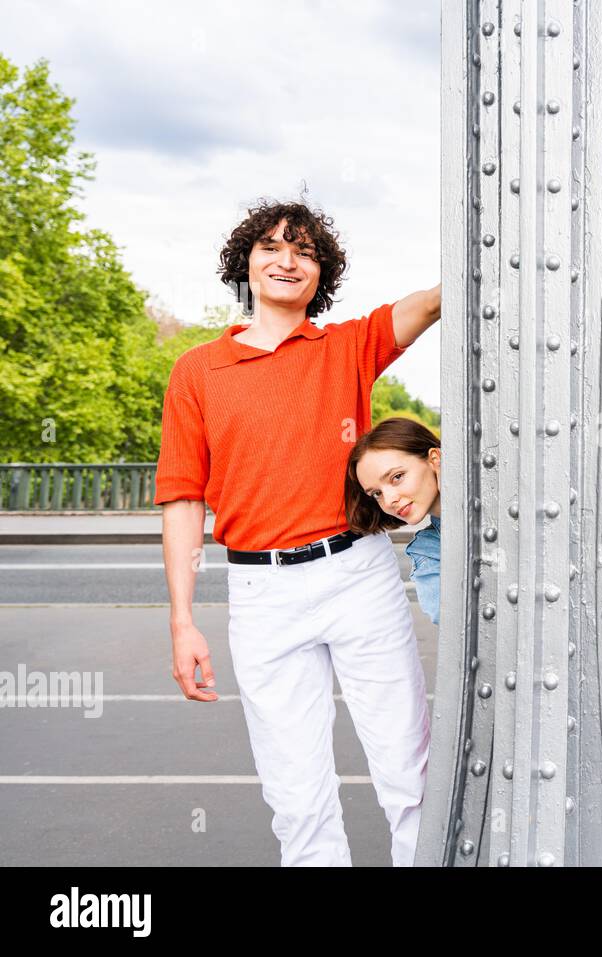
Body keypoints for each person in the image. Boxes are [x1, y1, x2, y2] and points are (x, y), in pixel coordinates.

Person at [155, 199, 442, 866]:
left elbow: (431, 303)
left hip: (357, 577)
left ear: (322, 274)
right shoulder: (196, 371)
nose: (287, 260)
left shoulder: (347, 345)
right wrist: (181, 620)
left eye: (305, 251)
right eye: (272, 247)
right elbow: (180, 499)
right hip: (262, 592)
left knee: (410, 775)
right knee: (297, 797)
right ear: (246, 264)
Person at [344, 417, 442, 627]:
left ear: (434, 459)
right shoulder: (427, 550)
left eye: (397, 477)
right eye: (377, 493)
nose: (389, 501)